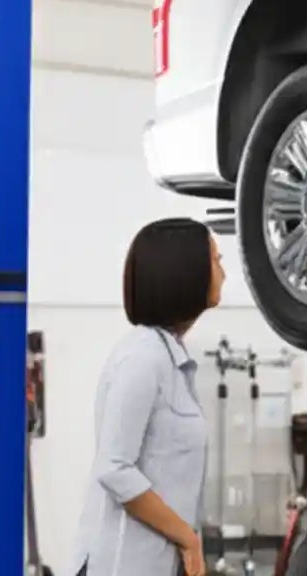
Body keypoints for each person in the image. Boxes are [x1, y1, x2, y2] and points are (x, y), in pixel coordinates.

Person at [71, 218, 226, 576]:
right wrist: (188, 538)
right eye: (217, 260)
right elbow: (115, 468)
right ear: (186, 272)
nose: (223, 273)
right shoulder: (143, 357)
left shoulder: (170, 358)